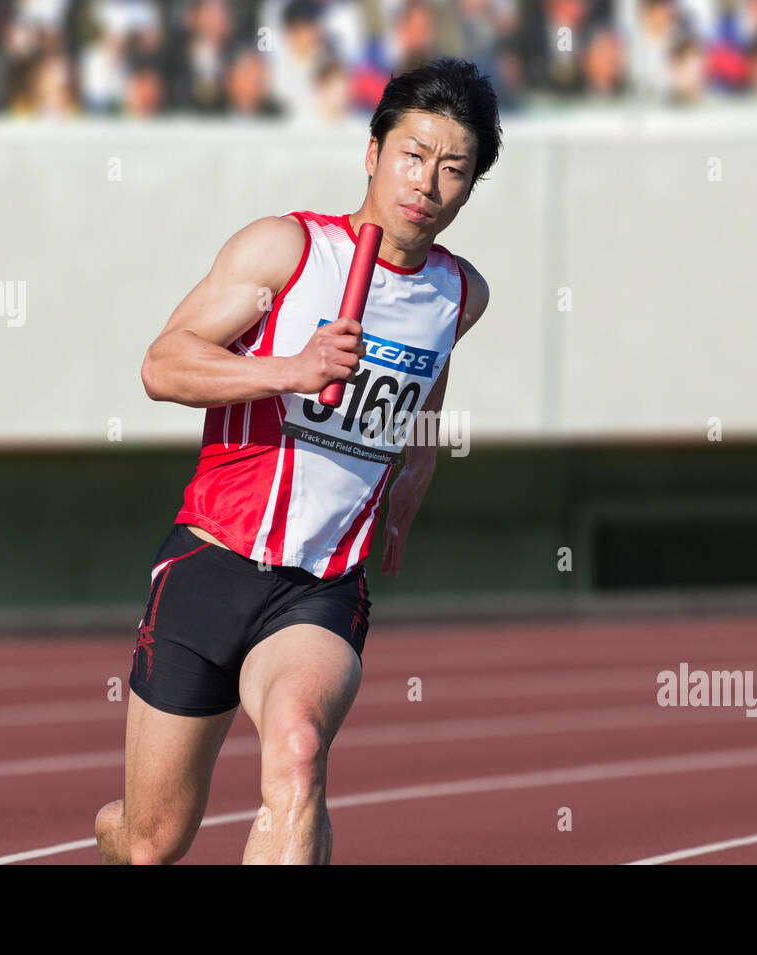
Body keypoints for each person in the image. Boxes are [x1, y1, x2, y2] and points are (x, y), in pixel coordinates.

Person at [94, 56, 500, 865]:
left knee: (299, 752)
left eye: (453, 170)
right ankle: (117, 830)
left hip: (321, 586)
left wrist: (417, 465)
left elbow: (429, 372)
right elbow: (162, 365)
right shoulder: (286, 250)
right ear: (374, 152)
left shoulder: (461, 293)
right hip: (212, 563)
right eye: (413, 156)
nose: (427, 183)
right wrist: (291, 368)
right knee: (150, 839)